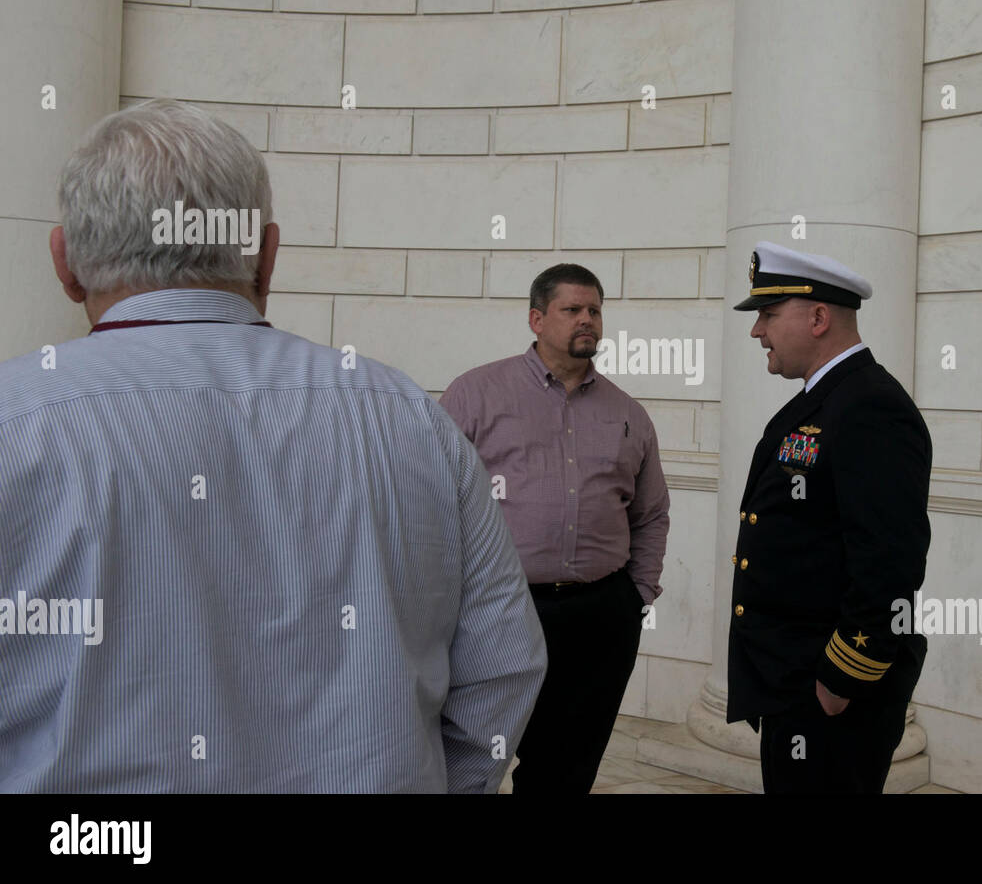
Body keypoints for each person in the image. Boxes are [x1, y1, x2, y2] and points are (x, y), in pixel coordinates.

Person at [0, 99, 546, 792]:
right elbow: (502, 669)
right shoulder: (410, 417)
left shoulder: (15, 421)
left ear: (65, 262)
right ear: (266, 254)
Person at [440, 264, 670, 794]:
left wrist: (637, 595)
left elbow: (651, 513)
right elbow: (431, 501)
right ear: (536, 318)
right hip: (500, 612)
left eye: (594, 310)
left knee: (567, 768)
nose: (586, 320)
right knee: (468, 761)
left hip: (600, 620)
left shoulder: (627, 413)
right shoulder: (475, 395)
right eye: (572, 310)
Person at [726, 240, 932, 794]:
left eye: (768, 315)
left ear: (818, 317)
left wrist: (842, 677)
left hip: (831, 688)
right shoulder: (828, 398)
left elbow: (890, 557)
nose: (757, 331)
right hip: (797, 676)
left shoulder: (870, 406)